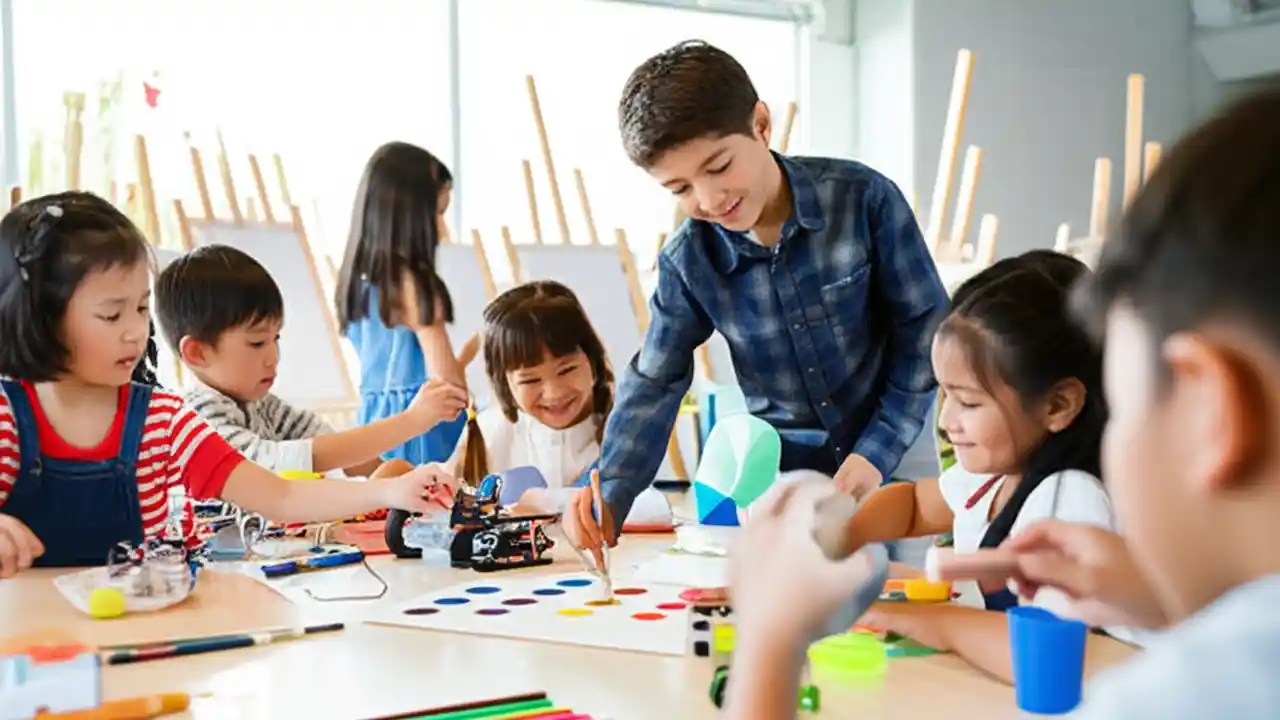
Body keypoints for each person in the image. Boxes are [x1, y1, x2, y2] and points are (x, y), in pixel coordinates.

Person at [725, 88, 1280, 719]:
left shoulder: (1197, 690)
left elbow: (1090, 668)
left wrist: (771, 640)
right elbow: (915, 504)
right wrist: (1159, 605)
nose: (949, 420)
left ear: (1211, 411)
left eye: (1123, 401)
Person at [564, 40, 948, 551]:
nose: (708, 200)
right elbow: (656, 380)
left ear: (761, 125)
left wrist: (874, 455)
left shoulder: (864, 200)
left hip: (896, 444)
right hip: (786, 468)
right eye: (679, 189)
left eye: (719, 167)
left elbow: (925, 332)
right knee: (804, 610)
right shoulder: (689, 259)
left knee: (900, 605)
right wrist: (608, 496)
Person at [0, 192, 452, 577]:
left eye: (141, 309)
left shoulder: (161, 420)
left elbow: (280, 494)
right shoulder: (7, 420)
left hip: (137, 638)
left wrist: (388, 490)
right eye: (111, 314)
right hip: (30, 650)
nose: (136, 332)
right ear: (40, 318)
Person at [840, 250, 1117, 682]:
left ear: (1058, 404)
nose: (947, 421)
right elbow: (914, 505)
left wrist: (934, 622)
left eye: (968, 402)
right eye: (944, 396)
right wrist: (842, 536)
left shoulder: (1068, 499)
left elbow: (1053, 656)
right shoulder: (993, 472)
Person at [155, 244, 468, 476]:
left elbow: (334, 445)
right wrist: (410, 422)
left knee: (396, 470)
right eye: (257, 342)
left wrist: (399, 477)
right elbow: (288, 460)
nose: (273, 357)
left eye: (276, 338)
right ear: (198, 352)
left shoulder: (261, 403)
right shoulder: (196, 416)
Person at [447, 281, 668, 522]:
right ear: (504, 384)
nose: (554, 393)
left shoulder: (628, 427)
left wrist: (545, 501)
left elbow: (657, 509)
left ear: (593, 360)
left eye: (566, 370)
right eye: (530, 380)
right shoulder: (489, 430)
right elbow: (446, 495)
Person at [335, 141, 472, 466]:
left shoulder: (358, 282)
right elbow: (449, 388)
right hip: (421, 433)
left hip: (375, 429)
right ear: (408, 216)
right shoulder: (412, 284)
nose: (443, 229)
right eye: (437, 214)